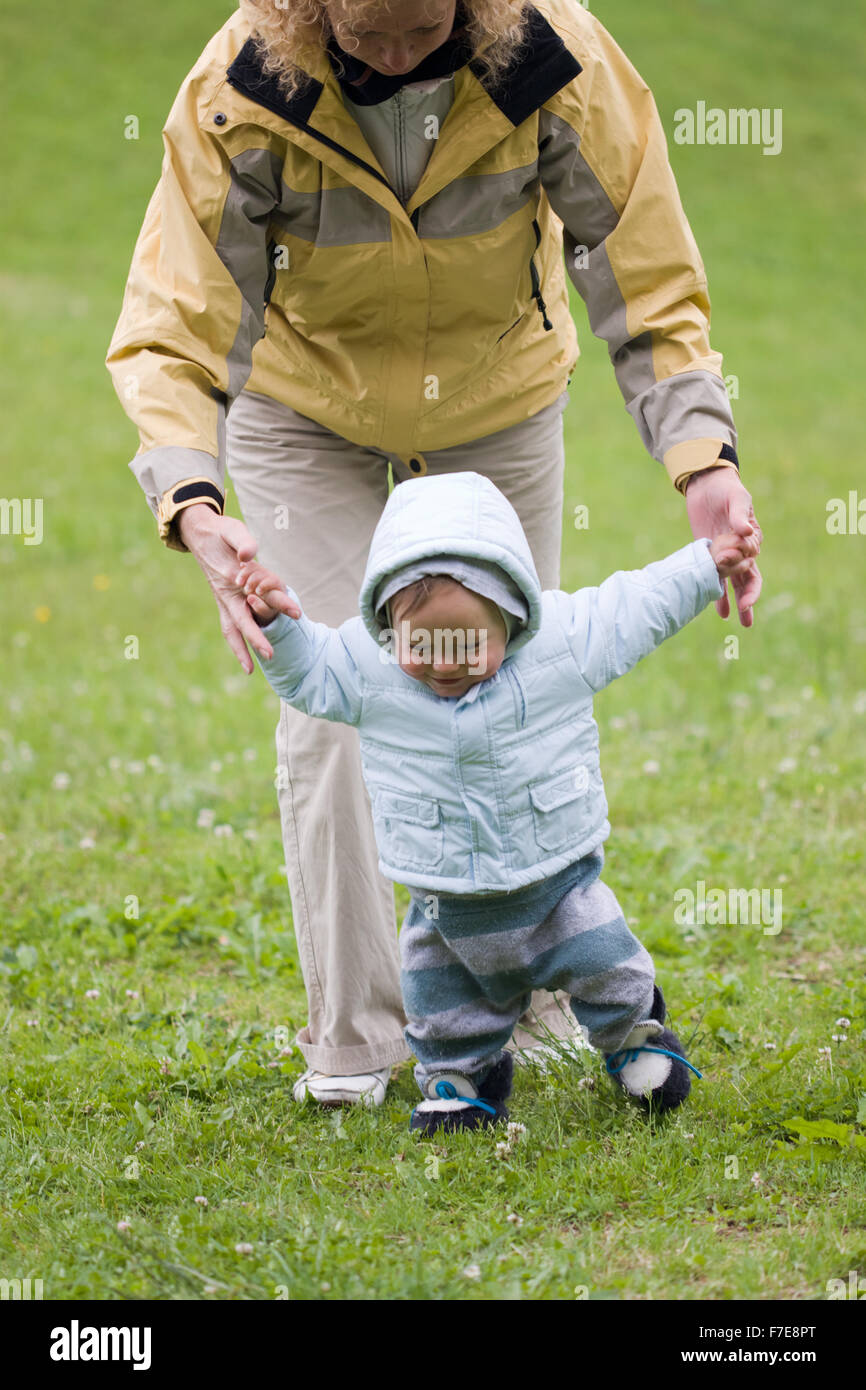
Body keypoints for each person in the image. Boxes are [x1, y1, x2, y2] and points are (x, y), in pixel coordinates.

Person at [104, 0, 762, 1106]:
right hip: (304, 406)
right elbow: (176, 315)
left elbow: (640, 263)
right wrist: (192, 499)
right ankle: (357, 1041)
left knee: (518, 689)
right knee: (332, 704)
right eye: (370, 36)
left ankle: (531, 997)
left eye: (422, 33)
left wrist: (702, 458)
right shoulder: (242, 85)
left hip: (492, 401)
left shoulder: (554, 55)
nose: (399, 59)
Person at [233, 469, 759, 1132]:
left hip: (559, 888)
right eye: (420, 644)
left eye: (467, 643)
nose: (443, 662)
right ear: (389, 623)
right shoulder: (368, 668)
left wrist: (706, 564)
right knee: (440, 1003)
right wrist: (275, 626)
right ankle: (460, 1081)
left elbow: (637, 604)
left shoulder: (562, 641)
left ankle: (634, 1038)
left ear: (511, 614)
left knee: (606, 964)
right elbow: (311, 671)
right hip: (445, 906)